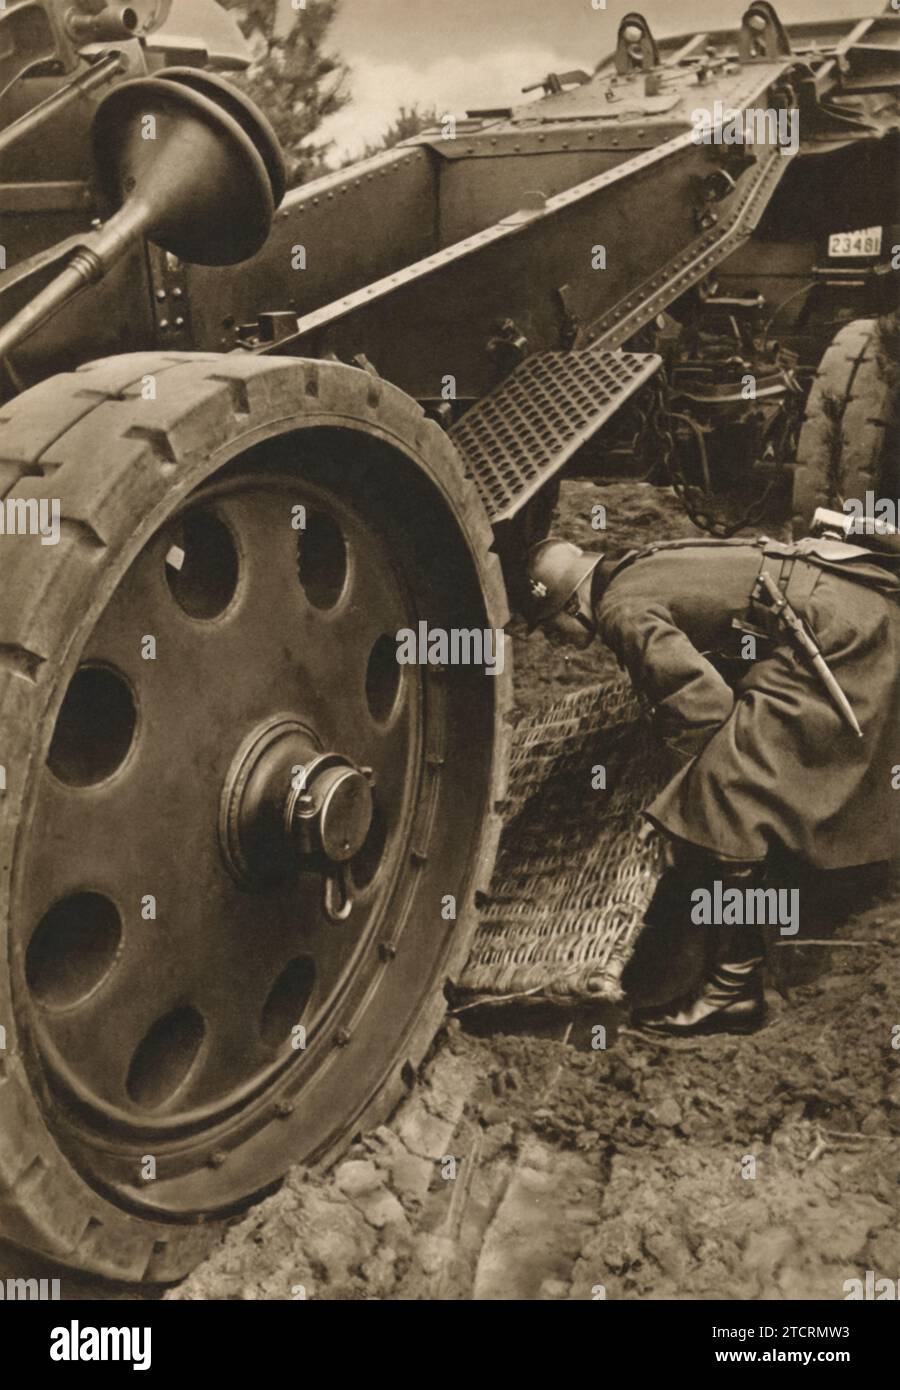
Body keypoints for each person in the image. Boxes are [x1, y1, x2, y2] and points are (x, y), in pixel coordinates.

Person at [526, 529, 900, 1036]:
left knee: (727, 789)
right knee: (729, 771)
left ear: (573, 607)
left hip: (838, 640)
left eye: (549, 628)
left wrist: (680, 793)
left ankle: (733, 991)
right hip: (852, 610)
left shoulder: (620, 610)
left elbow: (703, 705)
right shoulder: (638, 558)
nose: (552, 641)